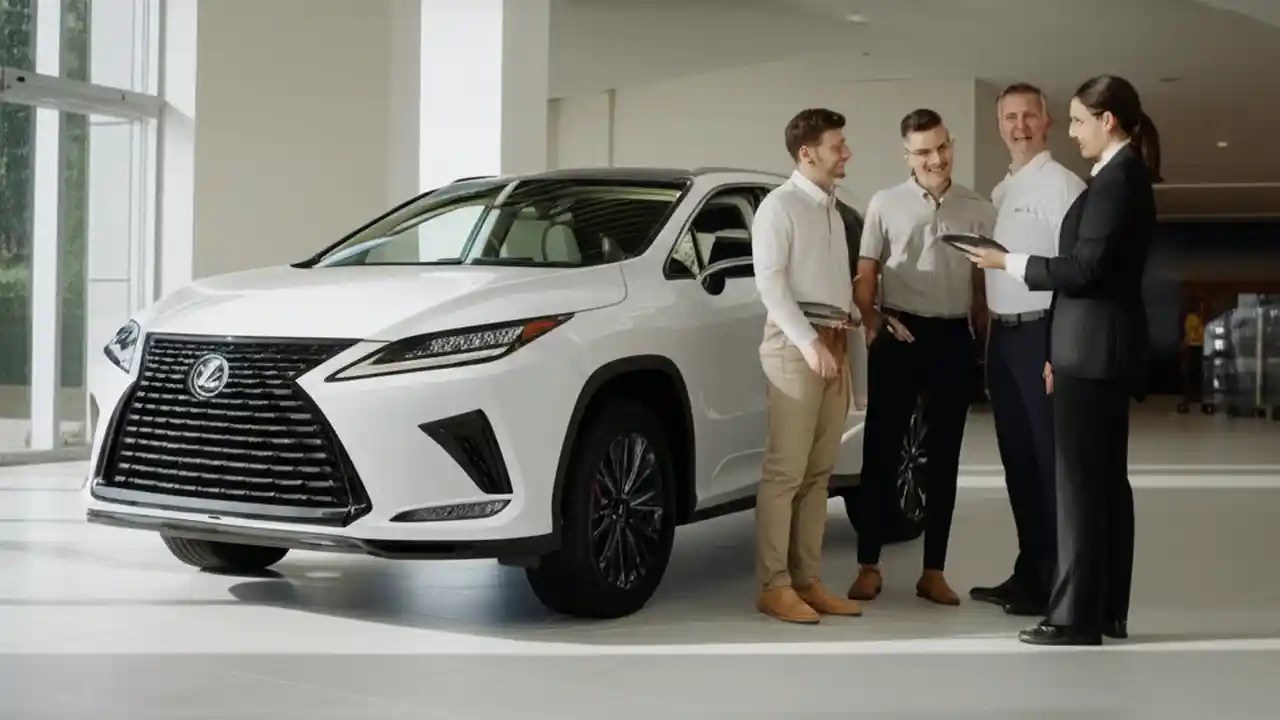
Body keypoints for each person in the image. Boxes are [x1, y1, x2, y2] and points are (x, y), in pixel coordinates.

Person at [958, 74, 1160, 645]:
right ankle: (1105, 611)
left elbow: (1085, 269)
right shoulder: (1118, 177)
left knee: (1078, 489)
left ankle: (1075, 618)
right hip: (1093, 348)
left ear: (1107, 120)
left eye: (1076, 120)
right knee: (1098, 487)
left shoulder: (1115, 180)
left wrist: (1009, 264)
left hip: (1089, 350)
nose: (1072, 132)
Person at [849, 109, 995, 606]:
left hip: (953, 336)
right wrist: (872, 321)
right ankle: (868, 565)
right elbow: (866, 270)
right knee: (880, 452)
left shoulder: (977, 206)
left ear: (950, 144)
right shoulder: (884, 203)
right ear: (906, 155)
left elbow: (980, 284)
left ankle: (934, 571)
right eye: (924, 151)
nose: (936, 158)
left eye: (941, 147)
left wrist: (982, 336)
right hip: (901, 332)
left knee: (945, 457)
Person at [968, 83, 1086, 618]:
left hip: (1043, 334)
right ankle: (1030, 575)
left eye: (1029, 116)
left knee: (1049, 464)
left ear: (1048, 122)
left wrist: (1056, 349)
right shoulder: (1000, 191)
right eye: (1010, 117)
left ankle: (1064, 586)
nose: (1020, 126)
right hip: (1005, 338)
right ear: (999, 126)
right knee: (1017, 462)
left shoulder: (1064, 186)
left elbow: (1073, 275)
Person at [751, 107, 865, 624]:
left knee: (819, 475)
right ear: (807, 152)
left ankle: (808, 581)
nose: (846, 153)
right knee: (785, 474)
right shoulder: (779, 207)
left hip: (836, 341)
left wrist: (857, 323)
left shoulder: (832, 211)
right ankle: (773, 586)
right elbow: (771, 285)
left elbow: (831, 283)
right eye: (837, 144)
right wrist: (807, 343)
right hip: (797, 348)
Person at [1178, 300, 1206, 413]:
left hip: (1195, 347)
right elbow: (1195, 334)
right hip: (1194, 347)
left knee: (1195, 372)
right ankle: (1191, 395)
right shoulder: (1192, 319)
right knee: (1192, 372)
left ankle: (1194, 394)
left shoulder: (1194, 319)